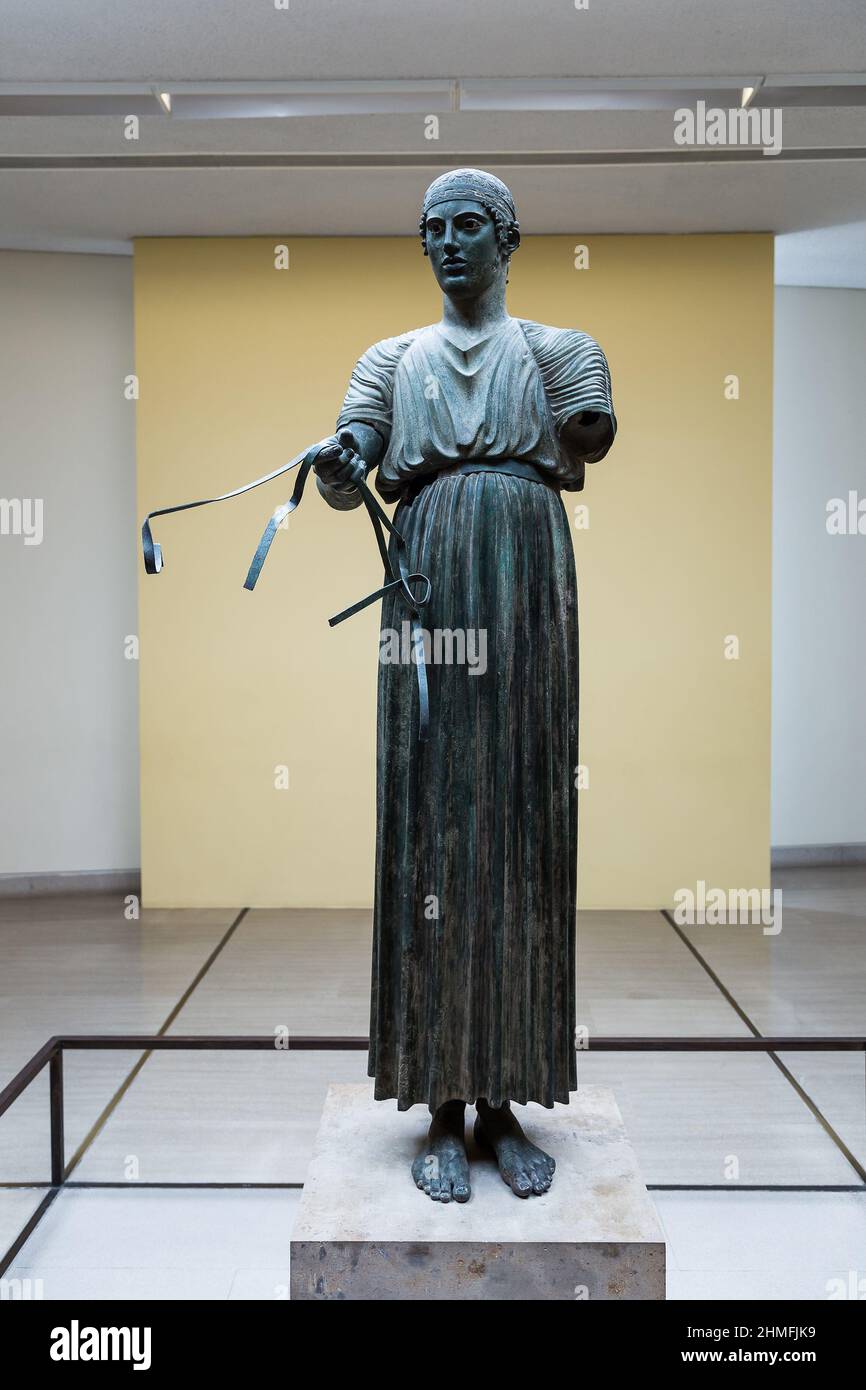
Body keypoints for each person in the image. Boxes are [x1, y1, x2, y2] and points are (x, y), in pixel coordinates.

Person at [316, 168, 616, 1202]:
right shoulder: (389, 360)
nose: (446, 243)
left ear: (507, 237)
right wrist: (337, 464)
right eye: (430, 229)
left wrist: (579, 429)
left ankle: (506, 1099)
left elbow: (589, 426)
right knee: (435, 819)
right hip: (432, 571)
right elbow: (350, 451)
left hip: (526, 571)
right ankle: (442, 1099)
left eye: (466, 226)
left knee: (521, 817)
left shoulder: (558, 349)